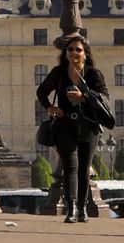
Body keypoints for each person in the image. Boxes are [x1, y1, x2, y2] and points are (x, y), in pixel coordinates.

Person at [38, 34, 111, 224]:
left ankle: (83, 209)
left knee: (84, 169)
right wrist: (50, 108)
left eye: (78, 49)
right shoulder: (59, 73)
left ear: (85, 54)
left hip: (88, 126)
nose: (73, 53)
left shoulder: (93, 74)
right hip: (65, 125)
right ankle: (71, 209)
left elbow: (104, 97)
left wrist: (83, 96)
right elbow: (41, 91)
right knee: (70, 167)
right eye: (70, 49)